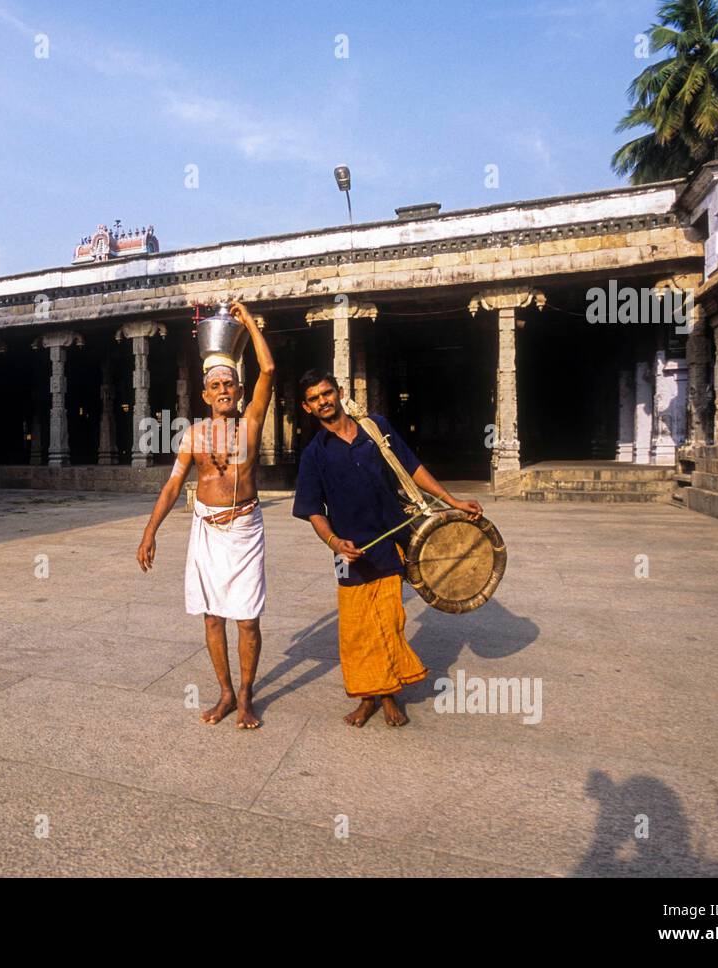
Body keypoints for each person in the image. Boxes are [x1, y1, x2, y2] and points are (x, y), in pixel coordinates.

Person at [291, 371, 483, 727]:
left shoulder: (375, 428)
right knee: (355, 629)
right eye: (315, 398)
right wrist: (334, 542)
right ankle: (367, 698)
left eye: (327, 393)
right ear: (307, 407)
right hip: (349, 553)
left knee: (390, 621)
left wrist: (451, 500)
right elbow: (312, 509)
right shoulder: (314, 455)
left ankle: (390, 694)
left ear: (340, 392)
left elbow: (413, 468)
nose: (323, 401)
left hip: (392, 542)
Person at [137, 300, 274, 729]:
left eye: (229, 385)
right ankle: (226, 694)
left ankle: (248, 697)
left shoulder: (250, 425)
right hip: (206, 532)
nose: (223, 391)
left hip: (245, 528)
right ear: (205, 394)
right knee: (213, 616)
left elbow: (268, 371)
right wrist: (149, 533)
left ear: (237, 389)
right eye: (215, 386)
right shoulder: (194, 435)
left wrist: (249, 322)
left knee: (247, 619)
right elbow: (173, 485)